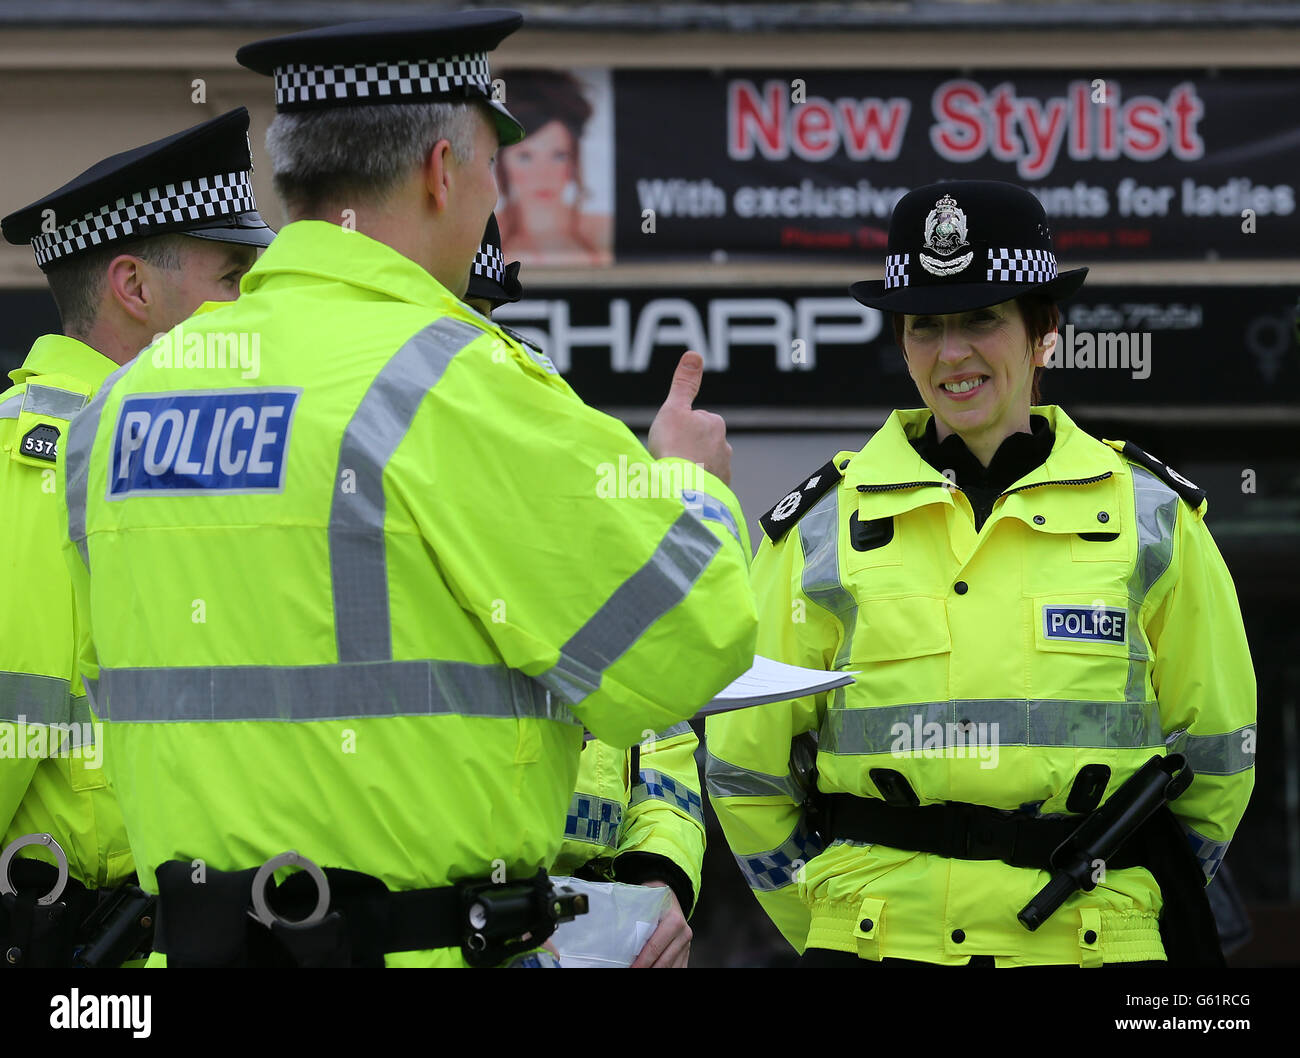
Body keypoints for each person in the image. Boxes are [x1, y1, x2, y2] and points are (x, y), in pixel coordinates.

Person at [60, 12, 756, 968]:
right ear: (441, 170)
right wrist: (688, 485)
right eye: (490, 169)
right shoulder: (452, 387)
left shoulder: (119, 409)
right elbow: (686, 643)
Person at [706, 180, 1256, 967]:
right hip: (872, 947)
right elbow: (742, 764)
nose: (951, 352)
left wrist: (1136, 901)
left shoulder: (1153, 517)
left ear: (1044, 333)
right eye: (925, 325)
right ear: (900, 342)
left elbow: (1221, 756)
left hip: (1090, 945)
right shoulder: (819, 527)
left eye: (981, 318)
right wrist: (831, 910)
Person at [0, 108, 272, 967]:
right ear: (134, 287)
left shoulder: (161, 457)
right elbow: (15, 713)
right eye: (232, 277)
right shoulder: (38, 463)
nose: (250, 308)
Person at [465, 215, 707, 968]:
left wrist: (657, 877)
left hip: (601, 931)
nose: (476, 337)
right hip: (436, 924)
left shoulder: (560, 453)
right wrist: (691, 496)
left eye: (484, 313)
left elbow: (663, 735)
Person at [496, 70, 611, 266]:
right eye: (525, 157)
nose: (543, 175)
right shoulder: (479, 233)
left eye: (558, 156)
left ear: (574, 159)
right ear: (502, 162)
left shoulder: (603, 230)